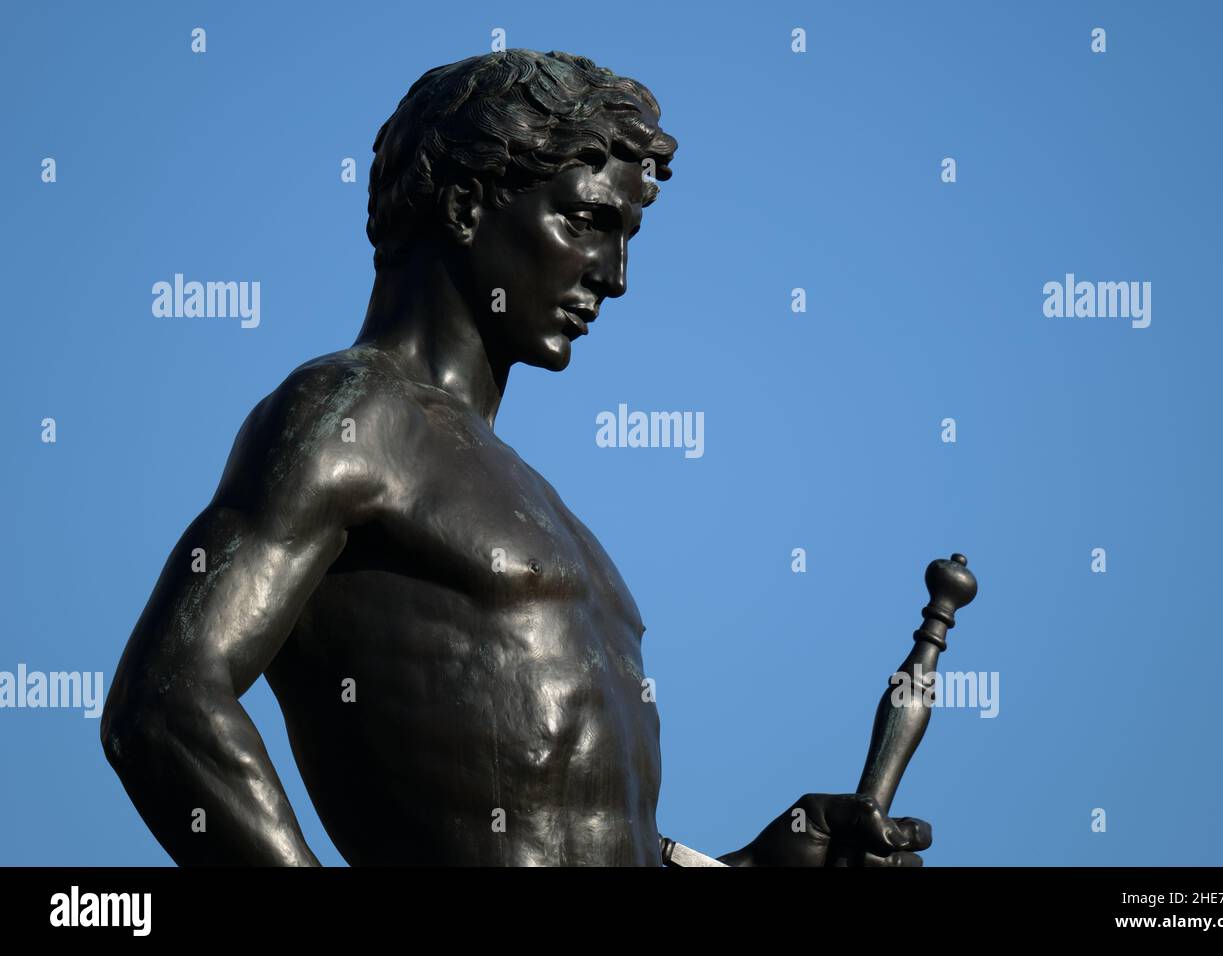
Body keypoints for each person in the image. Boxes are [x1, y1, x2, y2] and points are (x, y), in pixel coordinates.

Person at [102, 49, 932, 866]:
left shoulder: (540, 505)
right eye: (587, 221)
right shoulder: (347, 416)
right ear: (467, 206)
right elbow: (165, 701)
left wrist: (756, 864)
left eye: (627, 236)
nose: (614, 276)